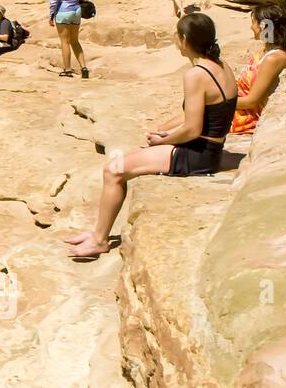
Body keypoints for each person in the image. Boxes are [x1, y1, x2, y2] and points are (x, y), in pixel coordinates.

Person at [65, 13, 237, 259]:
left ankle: (100, 240)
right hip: (209, 149)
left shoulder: (196, 74)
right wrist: (165, 128)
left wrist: (163, 140)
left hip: (198, 155)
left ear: (184, 39)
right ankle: (96, 233)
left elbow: (193, 128)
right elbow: (204, 113)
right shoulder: (221, 66)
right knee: (131, 159)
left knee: (113, 170)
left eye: (177, 36)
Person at [231, 4, 286, 134]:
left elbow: (251, 101)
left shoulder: (274, 59)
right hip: (239, 107)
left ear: (263, 26)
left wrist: (218, 103)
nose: (251, 27)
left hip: (248, 115)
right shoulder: (265, 51)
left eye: (253, 22)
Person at [49, 0, 89, 78]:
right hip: (76, 10)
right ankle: (84, 67)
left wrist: (51, 14)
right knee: (75, 41)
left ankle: (67, 69)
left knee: (65, 42)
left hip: (63, 10)